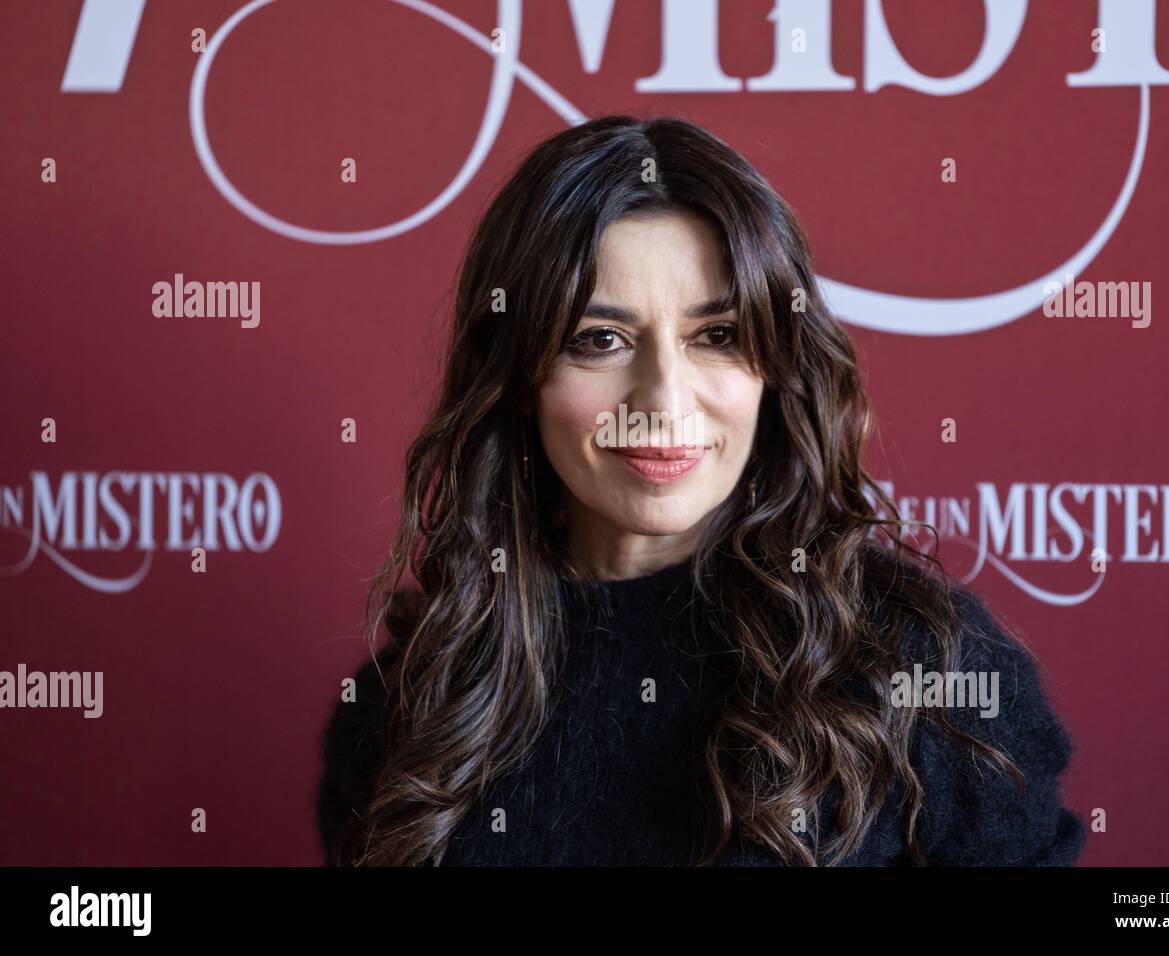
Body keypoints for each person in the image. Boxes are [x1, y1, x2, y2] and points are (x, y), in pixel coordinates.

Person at [317, 114, 1086, 867]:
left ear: (774, 369)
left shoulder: (927, 664)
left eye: (716, 336)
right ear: (518, 377)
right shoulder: (413, 703)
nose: (664, 402)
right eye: (600, 340)